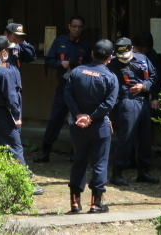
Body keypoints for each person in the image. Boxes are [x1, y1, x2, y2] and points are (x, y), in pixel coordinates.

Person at [0, 35, 46, 195]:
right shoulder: (3, 72)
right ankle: (24, 185)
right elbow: (11, 98)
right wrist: (17, 116)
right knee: (15, 147)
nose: (8, 52)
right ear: (2, 52)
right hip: (2, 113)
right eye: (7, 50)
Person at [64, 39, 118, 214]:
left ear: (92, 54)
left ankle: (75, 202)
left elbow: (68, 94)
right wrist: (91, 117)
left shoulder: (76, 71)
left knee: (78, 160)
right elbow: (109, 104)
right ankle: (96, 204)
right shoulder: (110, 77)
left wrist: (78, 115)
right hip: (99, 126)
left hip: (77, 125)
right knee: (100, 163)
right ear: (110, 57)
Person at [33, 15, 91, 163]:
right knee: (56, 118)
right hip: (64, 86)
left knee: (78, 119)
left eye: (79, 27)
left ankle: (75, 152)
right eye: (74, 26)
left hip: (80, 88)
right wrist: (61, 63)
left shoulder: (86, 45)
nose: (77, 29)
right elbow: (48, 61)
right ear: (69, 26)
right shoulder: (59, 42)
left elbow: (92, 66)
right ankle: (45, 151)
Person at [110, 37, 160, 185]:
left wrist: (144, 86)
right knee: (126, 138)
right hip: (126, 101)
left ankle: (144, 171)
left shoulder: (142, 58)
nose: (123, 59)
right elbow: (110, 83)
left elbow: (153, 75)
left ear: (132, 49)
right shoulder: (113, 63)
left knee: (145, 137)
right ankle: (117, 172)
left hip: (143, 100)